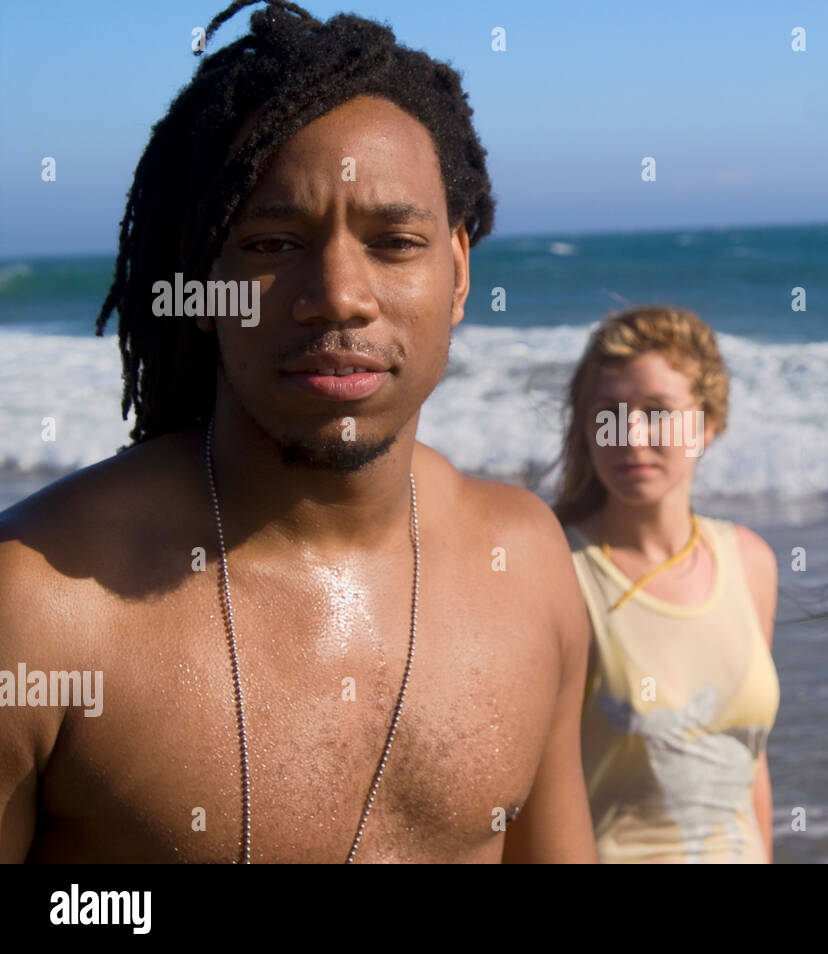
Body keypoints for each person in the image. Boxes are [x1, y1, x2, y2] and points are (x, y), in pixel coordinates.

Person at [0, 1, 595, 863]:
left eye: (395, 242)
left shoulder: (528, 566)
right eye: (274, 243)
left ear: (459, 271)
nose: (340, 295)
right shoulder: (42, 606)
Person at [553, 306, 780, 863]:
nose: (630, 435)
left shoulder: (750, 562)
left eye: (657, 412)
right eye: (608, 413)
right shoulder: (559, 569)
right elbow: (532, 788)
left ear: (707, 423)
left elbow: (750, 761)